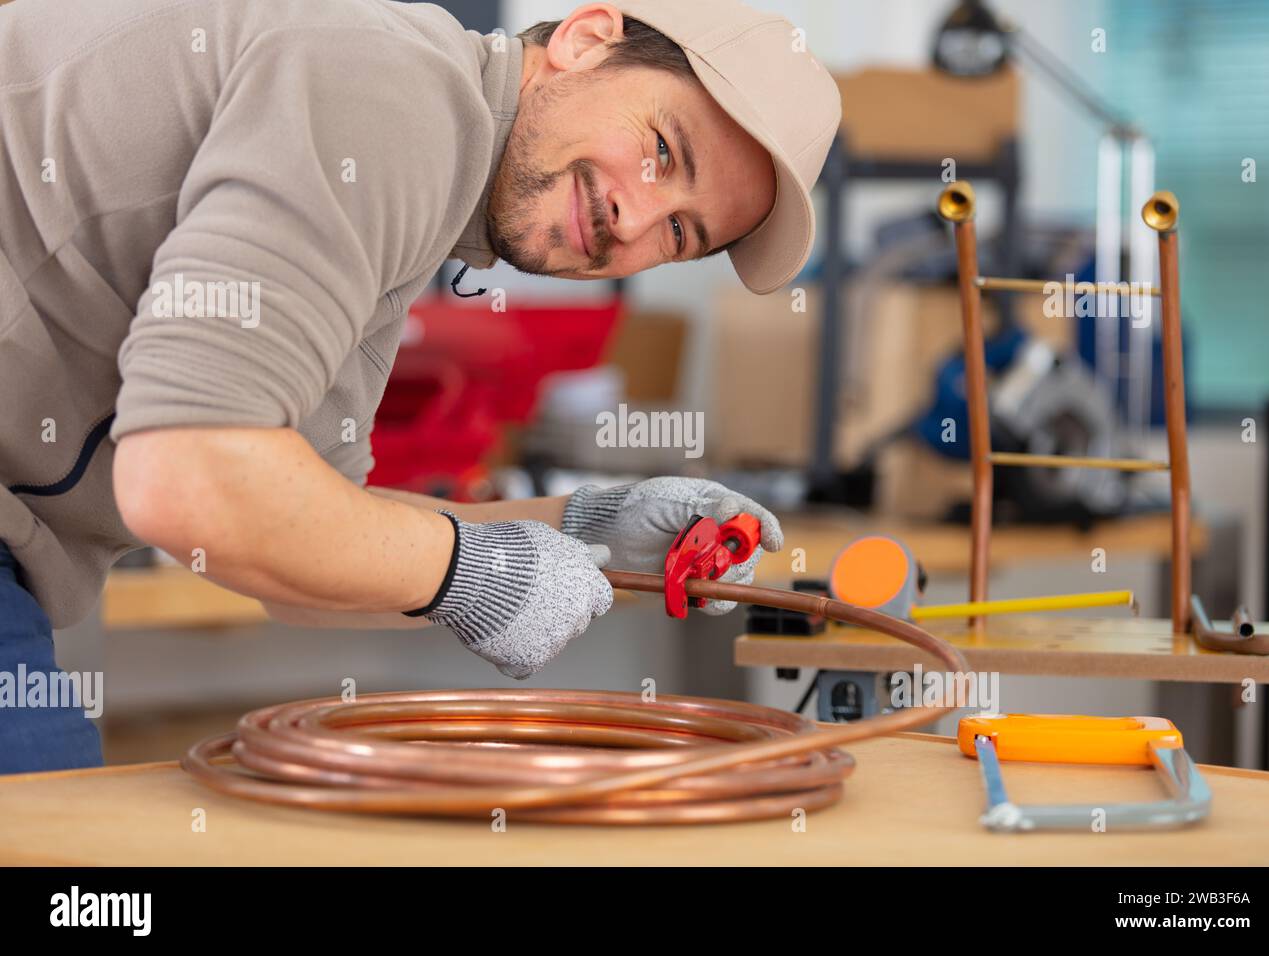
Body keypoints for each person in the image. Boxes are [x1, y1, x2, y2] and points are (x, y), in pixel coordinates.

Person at [0, 0, 841, 772]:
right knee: (55, 841)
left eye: (680, 232)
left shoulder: (423, 186)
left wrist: (588, 531)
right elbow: (190, 482)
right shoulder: (395, 96)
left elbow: (304, 552)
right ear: (587, 40)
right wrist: (467, 571)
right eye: (662, 150)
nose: (636, 220)